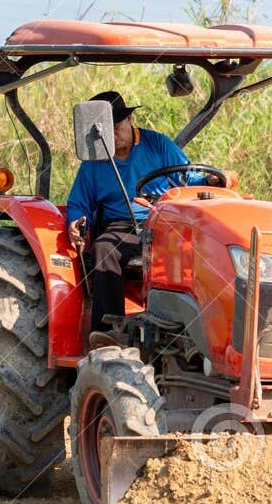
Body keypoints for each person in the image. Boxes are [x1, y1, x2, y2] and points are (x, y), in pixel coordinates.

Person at [65, 89, 230, 348]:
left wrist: (208, 180)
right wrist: (75, 221)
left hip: (163, 223)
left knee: (204, 251)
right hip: (122, 228)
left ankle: (211, 332)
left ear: (129, 120)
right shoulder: (94, 163)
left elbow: (189, 179)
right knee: (105, 249)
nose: (114, 135)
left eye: (117, 126)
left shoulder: (158, 144)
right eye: (106, 130)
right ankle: (109, 334)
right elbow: (78, 203)